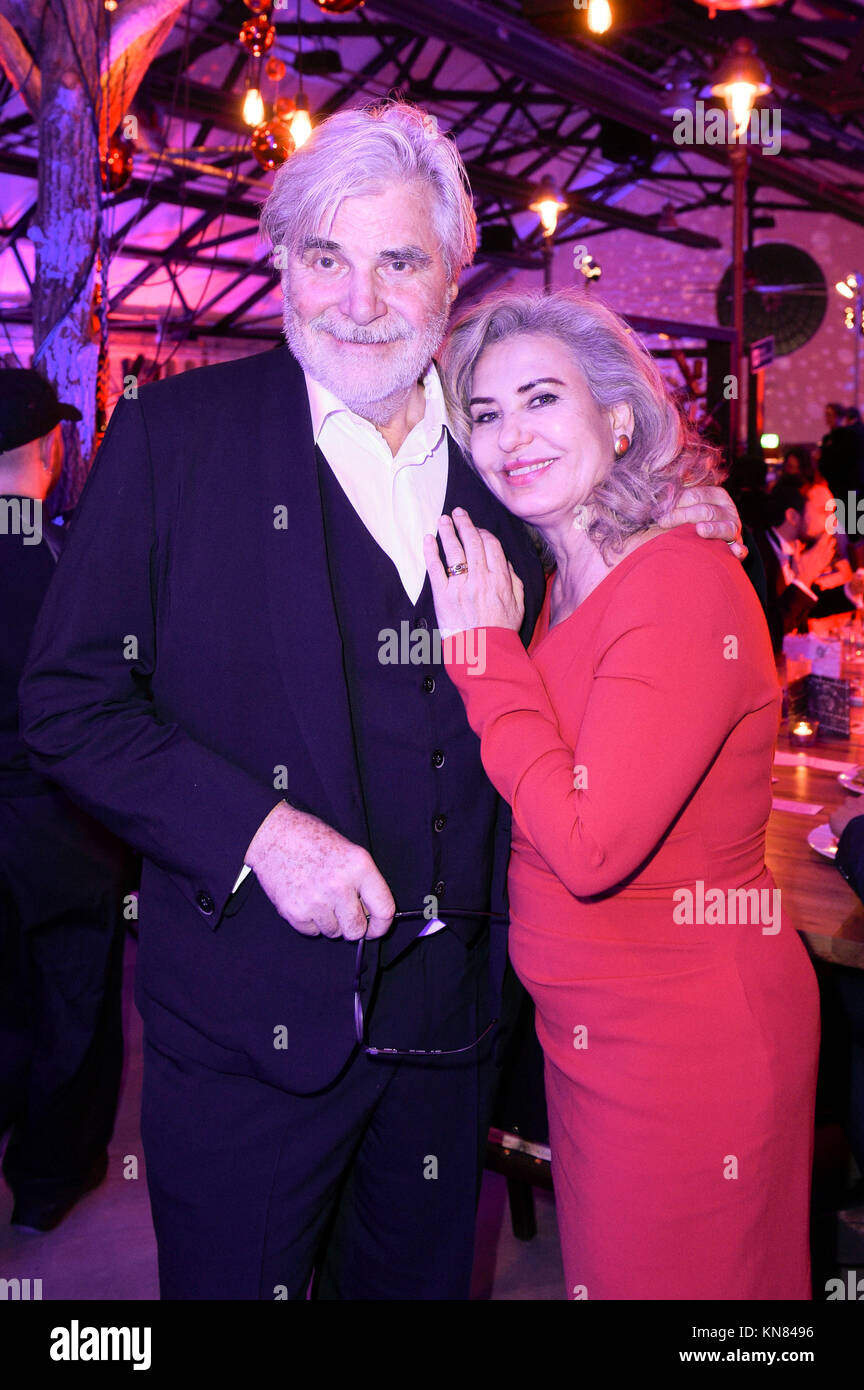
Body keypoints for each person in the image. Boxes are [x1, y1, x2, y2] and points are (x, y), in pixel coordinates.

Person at [18, 102, 744, 1300]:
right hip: (245, 1037)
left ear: (452, 276)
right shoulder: (176, 439)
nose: (357, 299)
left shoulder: (509, 462)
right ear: (283, 266)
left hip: (453, 1027)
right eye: (326, 258)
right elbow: (69, 700)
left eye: (397, 260)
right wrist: (257, 833)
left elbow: (639, 592)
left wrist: (685, 516)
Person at [424, 288, 820, 1300]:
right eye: (487, 411)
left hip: (688, 1049)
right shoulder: (557, 574)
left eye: (543, 399)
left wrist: (481, 655)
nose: (512, 435)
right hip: (596, 1042)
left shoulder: (678, 584)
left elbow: (590, 839)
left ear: (619, 416)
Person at [0, 368, 132, 1231]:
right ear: (53, 445)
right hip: (57, 828)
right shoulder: (55, 560)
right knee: (70, 1010)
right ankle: (47, 1185)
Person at [753, 479, 836, 651]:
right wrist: (802, 581)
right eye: (824, 512)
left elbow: (806, 608)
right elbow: (766, 633)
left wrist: (852, 590)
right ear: (792, 516)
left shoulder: (797, 548)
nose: (833, 522)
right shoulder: (755, 557)